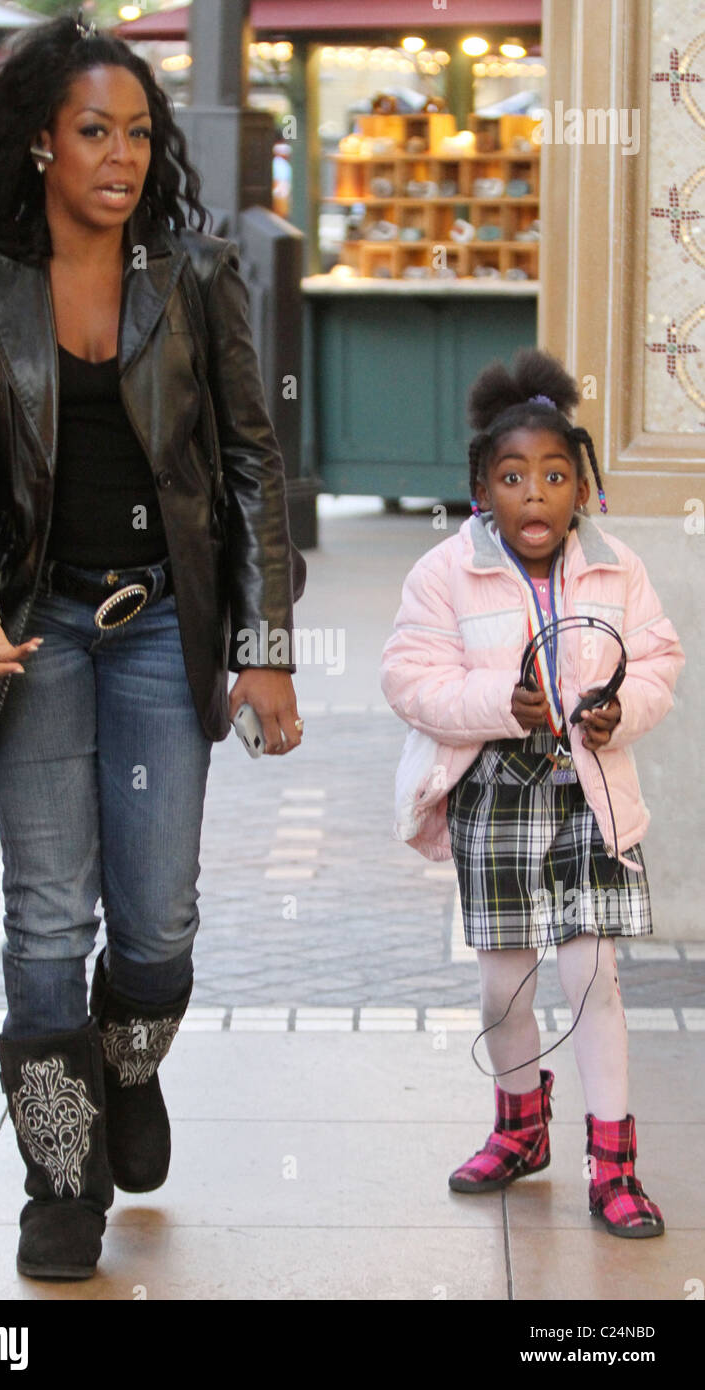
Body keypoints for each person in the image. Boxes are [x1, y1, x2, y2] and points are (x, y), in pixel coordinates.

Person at [0, 10, 305, 1281]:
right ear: (37, 144)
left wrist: (266, 644)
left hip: (157, 632)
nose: (121, 154)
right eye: (94, 131)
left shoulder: (193, 280)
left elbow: (251, 465)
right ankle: (60, 1174)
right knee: (40, 918)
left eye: (138, 132)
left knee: (157, 919)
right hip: (30, 636)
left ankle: (128, 1065)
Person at [380, 348, 684, 1239]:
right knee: (504, 991)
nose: (536, 495)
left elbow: (660, 656)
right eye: (514, 477)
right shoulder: (445, 572)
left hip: (589, 793)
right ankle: (520, 1128)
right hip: (497, 797)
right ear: (481, 489)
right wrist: (495, 706)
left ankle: (615, 1165)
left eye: (556, 476)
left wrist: (620, 711)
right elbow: (409, 676)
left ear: (581, 487)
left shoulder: (616, 567)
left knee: (594, 979)